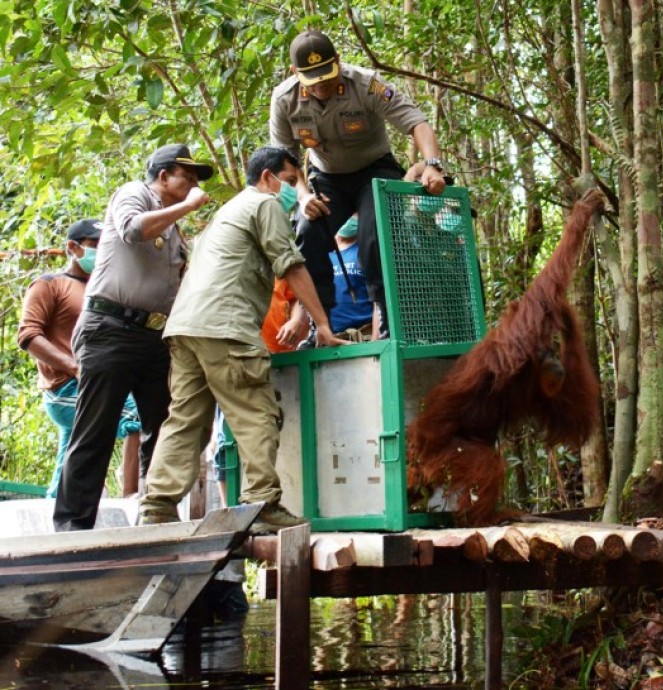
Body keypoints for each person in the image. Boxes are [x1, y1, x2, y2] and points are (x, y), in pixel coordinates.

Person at [137, 146, 343, 532]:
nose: (293, 191)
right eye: (289, 181)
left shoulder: (226, 212)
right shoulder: (264, 205)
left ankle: (158, 504)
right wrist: (323, 324)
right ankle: (261, 504)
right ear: (267, 178)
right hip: (225, 326)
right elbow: (291, 266)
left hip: (185, 327)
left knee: (186, 418)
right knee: (256, 412)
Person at [53, 144, 213, 531]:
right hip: (110, 329)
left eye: (195, 181)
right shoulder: (134, 194)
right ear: (162, 176)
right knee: (96, 430)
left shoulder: (172, 228)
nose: (193, 185)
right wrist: (189, 206)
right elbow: (133, 229)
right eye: (186, 177)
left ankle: (154, 515)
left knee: (164, 425)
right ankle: (72, 529)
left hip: (154, 337)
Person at [268, 29, 446, 335]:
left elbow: (416, 122)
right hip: (327, 179)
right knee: (309, 233)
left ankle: (387, 314)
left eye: (327, 74)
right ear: (295, 73)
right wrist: (302, 195)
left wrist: (432, 165)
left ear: (337, 61)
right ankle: (317, 319)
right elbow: (285, 161)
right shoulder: (284, 100)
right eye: (313, 79)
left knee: (375, 232)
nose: (322, 85)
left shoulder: (366, 84)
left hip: (374, 170)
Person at [18, 219, 142, 498]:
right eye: (93, 245)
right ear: (73, 248)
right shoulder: (49, 285)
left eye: (103, 245)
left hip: (101, 380)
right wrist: (74, 367)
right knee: (136, 414)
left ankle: (54, 511)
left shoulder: (105, 286)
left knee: (68, 460)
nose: (100, 250)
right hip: (66, 387)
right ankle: (130, 497)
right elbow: (28, 335)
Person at [328, 213, 376, 338]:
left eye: (354, 213)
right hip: (331, 337)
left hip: (365, 333)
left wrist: (375, 341)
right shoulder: (323, 252)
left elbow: (379, 301)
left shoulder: (367, 250)